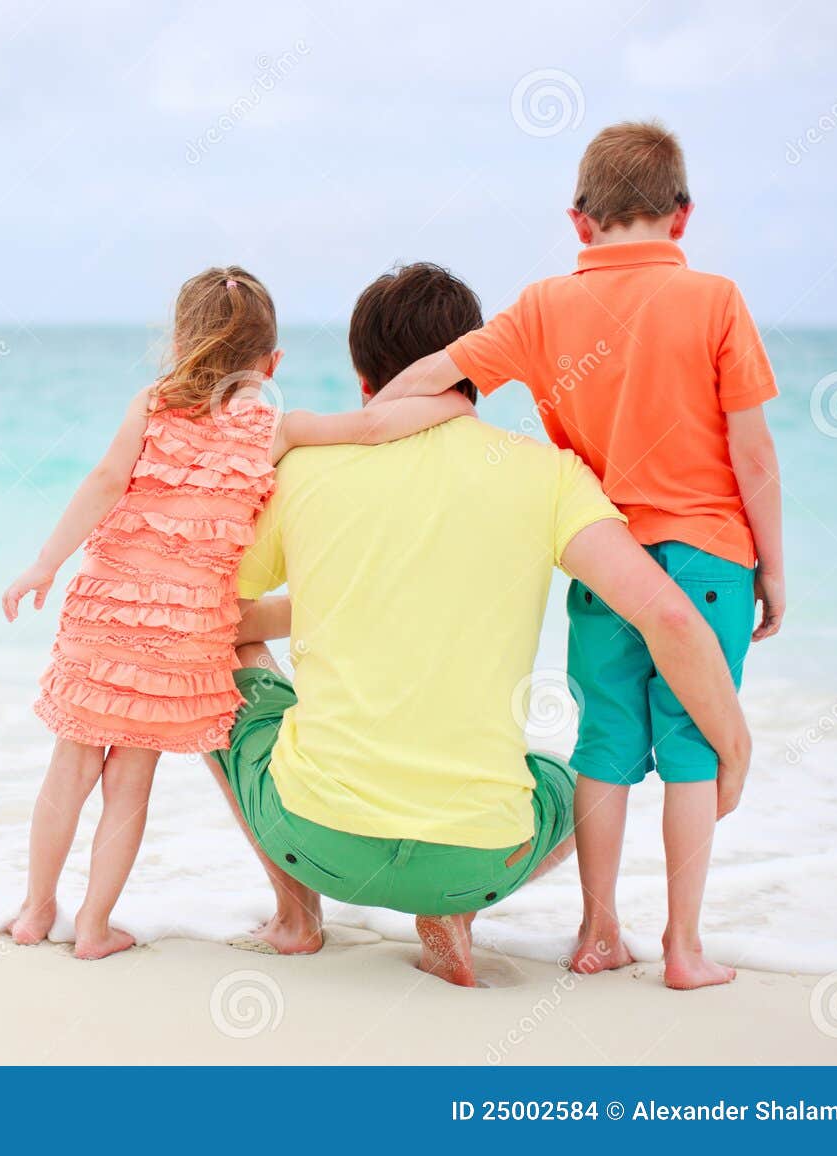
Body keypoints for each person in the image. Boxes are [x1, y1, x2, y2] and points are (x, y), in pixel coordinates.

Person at [217, 262, 751, 986]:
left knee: (221, 654)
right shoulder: (549, 474)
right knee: (568, 777)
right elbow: (667, 616)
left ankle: (295, 916)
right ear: (472, 363)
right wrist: (734, 743)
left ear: (363, 379)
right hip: (480, 864)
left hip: (315, 839)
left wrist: (323, 599)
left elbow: (219, 617)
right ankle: (451, 913)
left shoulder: (309, 468)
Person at [370, 122, 781, 988]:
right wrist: (771, 566)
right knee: (694, 752)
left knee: (603, 746)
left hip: (603, 559)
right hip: (710, 559)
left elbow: (429, 377)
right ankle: (683, 949)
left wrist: (377, 438)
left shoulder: (544, 308)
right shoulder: (716, 299)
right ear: (682, 214)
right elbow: (754, 454)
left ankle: (599, 932)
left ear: (578, 220)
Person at [0, 266, 470, 959]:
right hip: (184, 634)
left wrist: (45, 562)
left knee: (69, 765)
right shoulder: (272, 429)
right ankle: (95, 928)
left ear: (182, 343)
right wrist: (452, 405)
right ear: (271, 362)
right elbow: (371, 428)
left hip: (106, 610)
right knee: (130, 779)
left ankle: (37, 910)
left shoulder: (153, 403)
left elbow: (103, 482)